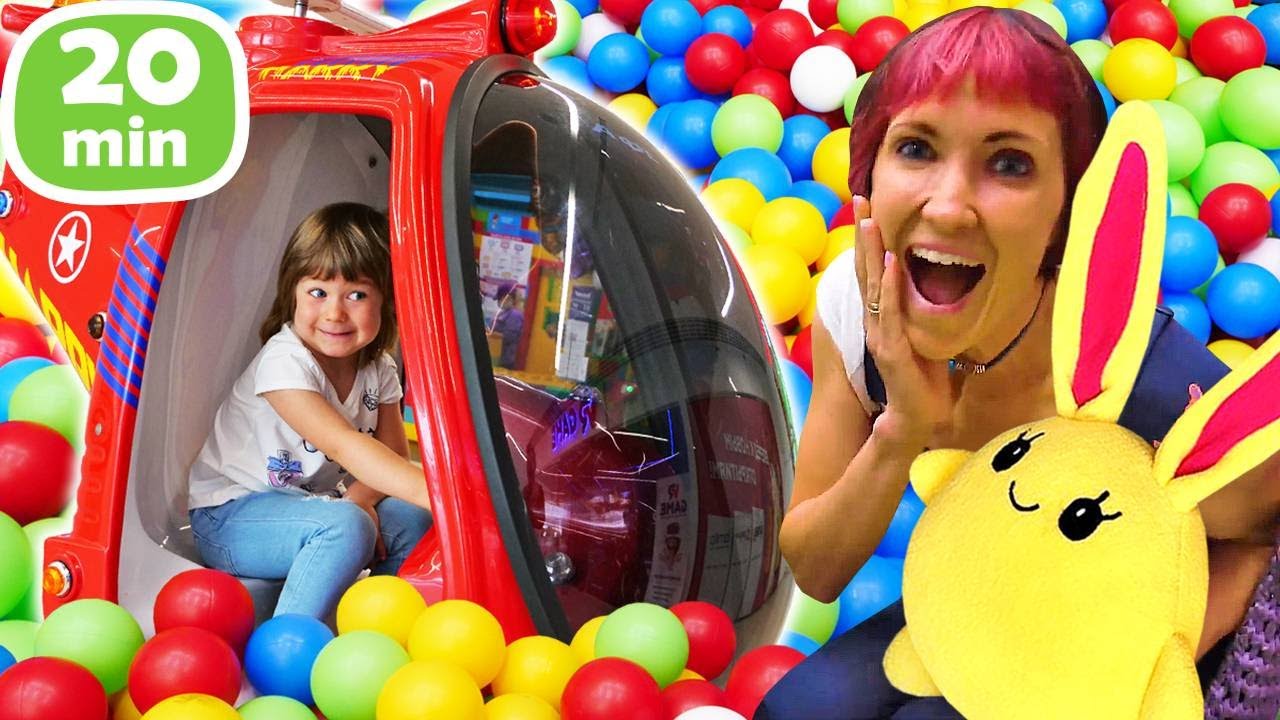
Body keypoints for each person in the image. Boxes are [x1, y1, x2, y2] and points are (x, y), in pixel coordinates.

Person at [757, 8, 1280, 719]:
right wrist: (903, 427)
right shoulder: (854, 305)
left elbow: (1259, 540)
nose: (948, 204)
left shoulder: (1127, 365)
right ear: (867, 180)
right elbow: (816, 570)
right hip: (984, 586)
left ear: (1069, 212)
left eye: (1009, 164)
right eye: (915, 149)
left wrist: (1126, 664)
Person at [187, 202, 433, 620]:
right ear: (293, 295)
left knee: (409, 517)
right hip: (231, 515)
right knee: (345, 527)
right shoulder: (284, 362)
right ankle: (288, 649)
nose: (335, 312)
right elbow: (346, 445)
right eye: (317, 293)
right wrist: (440, 494)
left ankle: (372, 630)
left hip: (312, 505)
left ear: (386, 301)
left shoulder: (379, 367)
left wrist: (361, 498)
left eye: (356, 295)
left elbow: (391, 456)